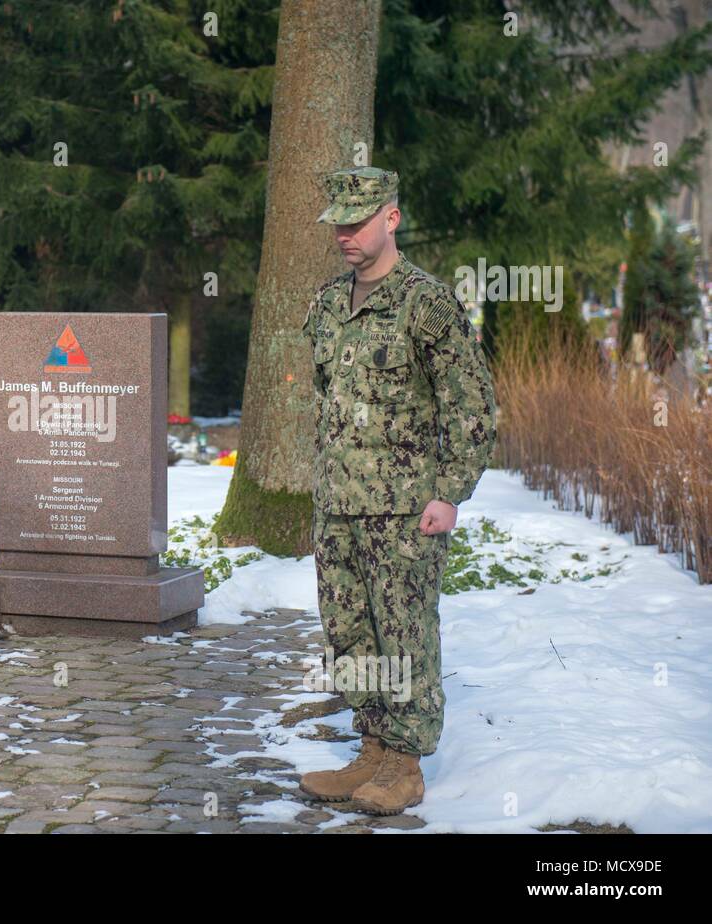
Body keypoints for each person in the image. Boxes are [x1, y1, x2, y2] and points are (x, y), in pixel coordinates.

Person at [296, 167, 496, 814]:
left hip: (404, 509)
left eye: (358, 222)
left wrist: (450, 492)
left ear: (392, 218)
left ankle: (405, 766)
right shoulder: (329, 304)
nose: (346, 235)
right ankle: (372, 751)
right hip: (339, 505)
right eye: (339, 224)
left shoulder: (426, 303)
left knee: (403, 634)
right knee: (350, 632)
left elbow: (472, 404)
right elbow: (329, 397)